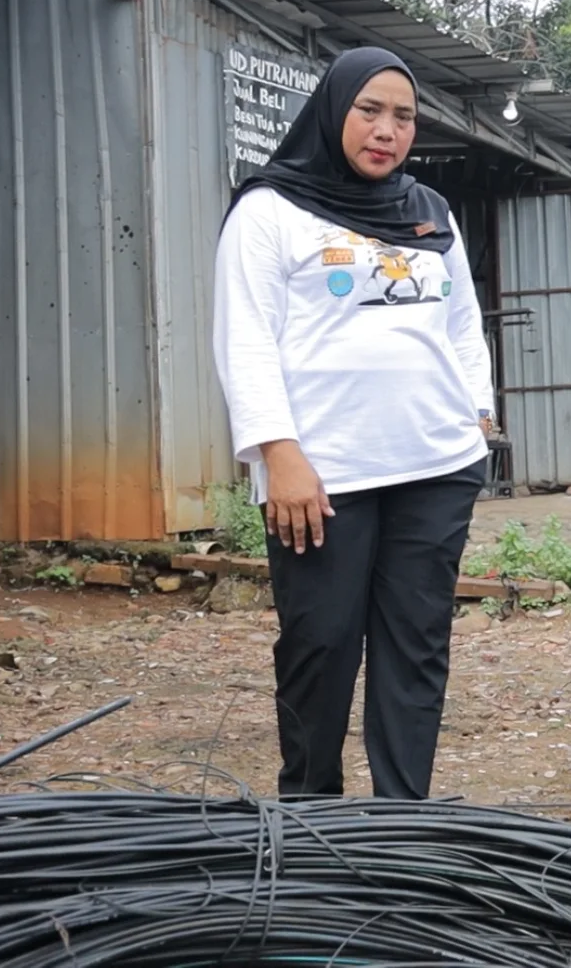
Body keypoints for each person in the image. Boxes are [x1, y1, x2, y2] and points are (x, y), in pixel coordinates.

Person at [212, 47, 493, 800]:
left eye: (403, 116)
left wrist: (478, 414)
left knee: (415, 647)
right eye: (370, 110)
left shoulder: (430, 211)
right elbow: (245, 336)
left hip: (435, 466)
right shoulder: (269, 209)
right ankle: (309, 814)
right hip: (321, 473)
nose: (387, 131)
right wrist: (278, 454)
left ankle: (402, 820)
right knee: (320, 644)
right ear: (334, 111)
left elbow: (463, 323)